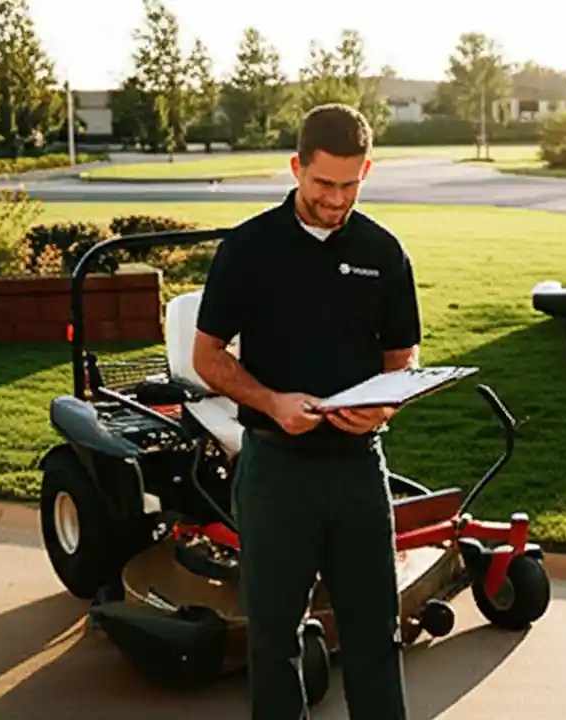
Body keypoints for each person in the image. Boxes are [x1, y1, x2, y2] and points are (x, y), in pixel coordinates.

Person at [191, 103, 420, 719]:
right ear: (296, 168)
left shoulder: (383, 251)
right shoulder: (248, 248)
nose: (336, 198)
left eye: (350, 184)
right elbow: (207, 358)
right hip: (276, 470)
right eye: (323, 183)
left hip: (356, 471)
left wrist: (383, 410)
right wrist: (270, 401)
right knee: (272, 640)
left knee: (376, 633)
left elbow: (403, 356)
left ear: (366, 171)